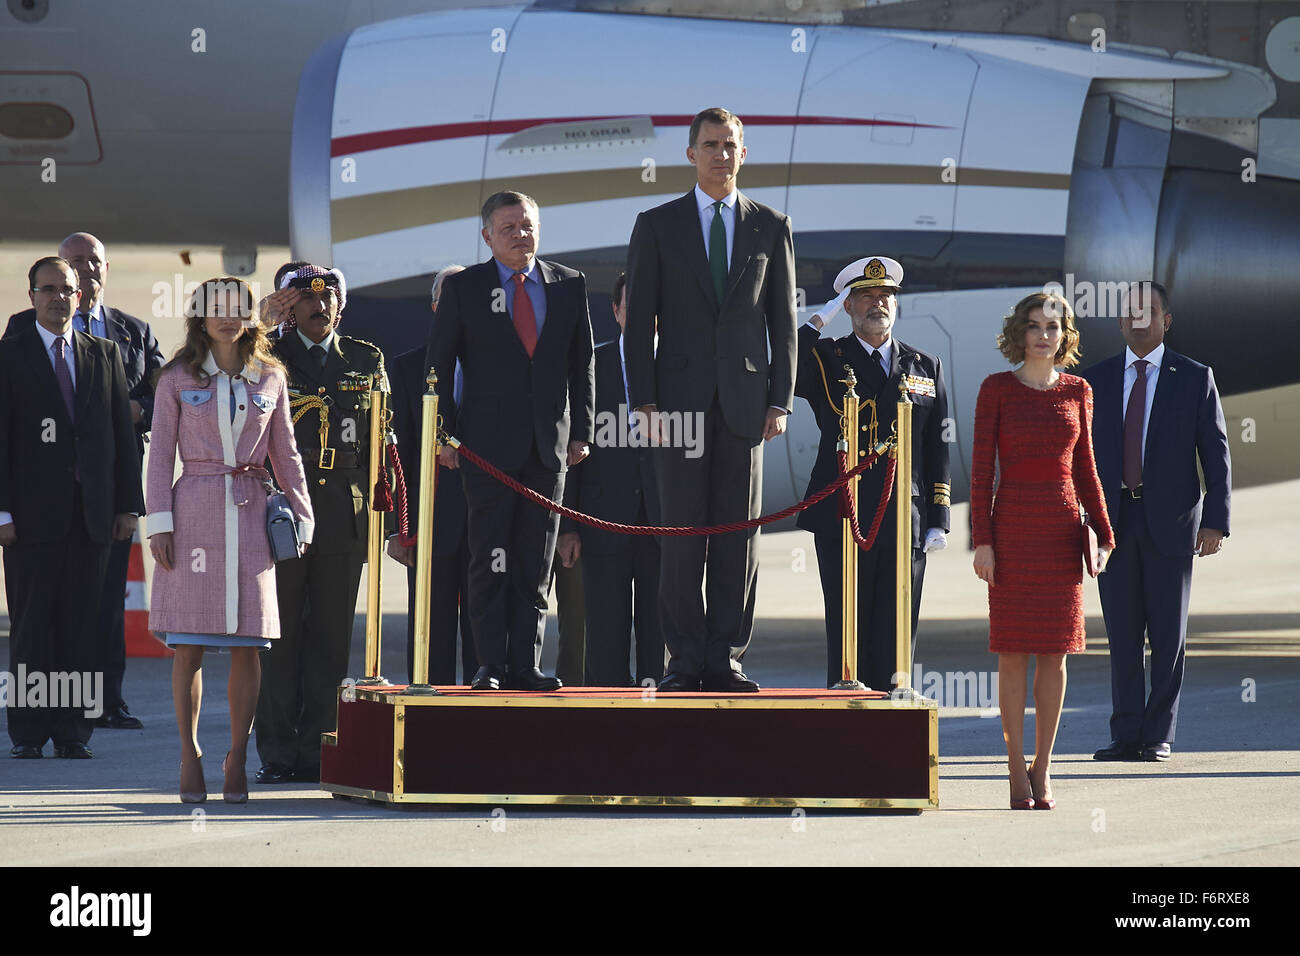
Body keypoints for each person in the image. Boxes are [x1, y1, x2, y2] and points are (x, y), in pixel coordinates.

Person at [624, 107, 796, 693]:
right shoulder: (657, 224)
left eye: (731, 144)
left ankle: (726, 655)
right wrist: (643, 402)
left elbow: (783, 322)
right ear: (690, 153)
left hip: (746, 407)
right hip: (675, 405)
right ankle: (683, 659)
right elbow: (637, 324)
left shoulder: (770, 225)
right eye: (711, 144)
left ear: (743, 153)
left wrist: (781, 400)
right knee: (680, 535)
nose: (721, 154)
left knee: (737, 535)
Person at [146, 277, 312, 802]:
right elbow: (158, 458)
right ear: (199, 316)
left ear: (250, 318)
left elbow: (286, 453)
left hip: (250, 510)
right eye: (215, 309)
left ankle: (237, 756)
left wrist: (302, 515)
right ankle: (189, 754)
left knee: (248, 647)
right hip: (192, 509)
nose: (225, 318)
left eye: (236, 309)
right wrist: (159, 524)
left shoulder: (271, 377)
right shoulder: (176, 377)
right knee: (189, 645)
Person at [427, 190, 595, 691]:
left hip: (549, 449)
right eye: (509, 228)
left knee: (535, 560)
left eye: (527, 225)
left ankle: (526, 662)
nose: (521, 235)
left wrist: (581, 432)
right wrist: (445, 437)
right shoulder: (466, 288)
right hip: (485, 450)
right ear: (486, 236)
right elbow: (438, 368)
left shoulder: (568, 284)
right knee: (490, 558)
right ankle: (489, 665)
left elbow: (582, 363)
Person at [4, 233, 164, 730]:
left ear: (84, 290)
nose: (59, 297)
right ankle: (30, 730)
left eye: (67, 287)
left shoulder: (109, 349)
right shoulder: (12, 350)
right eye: (48, 288)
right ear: (32, 296)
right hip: (32, 516)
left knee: (86, 621)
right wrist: (3, 510)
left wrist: (126, 506)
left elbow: (125, 426)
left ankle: (79, 726)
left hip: (94, 512)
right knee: (34, 625)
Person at [971, 291, 1114, 810]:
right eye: (1034, 326)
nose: (1043, 335)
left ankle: (1044, 767)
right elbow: (981, 472)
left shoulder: (1079, 390)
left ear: (1064, 335)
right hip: (1011, 531)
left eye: (1053, 327)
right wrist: (982, 541)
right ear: (1020, 333)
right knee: (1012, 656)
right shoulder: (996, 390)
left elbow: (1087, 468)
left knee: (1055, 656)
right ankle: (1013, 768)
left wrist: (1102, 532)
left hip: (1060, 532)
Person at [1081, 282, 1230, 763]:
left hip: (1172, 522)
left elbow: (1216, 455)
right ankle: (1125, 733)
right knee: (1122, 633)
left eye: (1150, 312)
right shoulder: (1096, 380)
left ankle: (1158, 734)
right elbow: (1078, 458)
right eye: (1130, 313)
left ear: (1166, 321)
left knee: (1168, 635)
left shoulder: (1193, 377)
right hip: (1113, 523)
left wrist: (1216, 522)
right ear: (1120, 323)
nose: (1139, 320)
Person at [795, 257, 951, 690]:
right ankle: (848, 723)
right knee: (848, 628)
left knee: (899, 627)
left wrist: (939, 518)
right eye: (865, 296)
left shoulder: (924, 365)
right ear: (848, 306)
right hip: (844, 514)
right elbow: (782, 368)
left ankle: (894, 721)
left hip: (905, 515)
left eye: (886, 297)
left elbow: (936, 446)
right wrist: (816, 319)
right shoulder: (828, 357)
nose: (878, 304)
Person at [255, 264, 385, 783]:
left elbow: (385, 441)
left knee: (331, 639)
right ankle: (277, 754)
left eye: (328, 294)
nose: (319, 303)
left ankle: (319, 749)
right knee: (279, 638)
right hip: (281, 510)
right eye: (304, 296)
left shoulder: (364, 358)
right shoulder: (265, 354)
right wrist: (261, 326)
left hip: (342, 513)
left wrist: (393, 520)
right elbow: (221, 376)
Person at [560, 273, 664, 686]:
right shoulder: (587, 368)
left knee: (662, 640)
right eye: (632, 307)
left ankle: (663, 726)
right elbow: (570, 450)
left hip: (665, 525)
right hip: (601, 524)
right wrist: (568, 525)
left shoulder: (681, 371)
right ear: (617, 312)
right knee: (603, 639)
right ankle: (608, 725)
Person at [386, 265, 478, 684]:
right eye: (449, 299)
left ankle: (486, 723)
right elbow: (395, 456)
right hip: (428, 525)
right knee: (429, 637)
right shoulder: (406, 369)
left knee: (486, 638)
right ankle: (428, 723)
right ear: (436, 306)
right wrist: (398, 529)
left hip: (486, 520)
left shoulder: (503, 371)